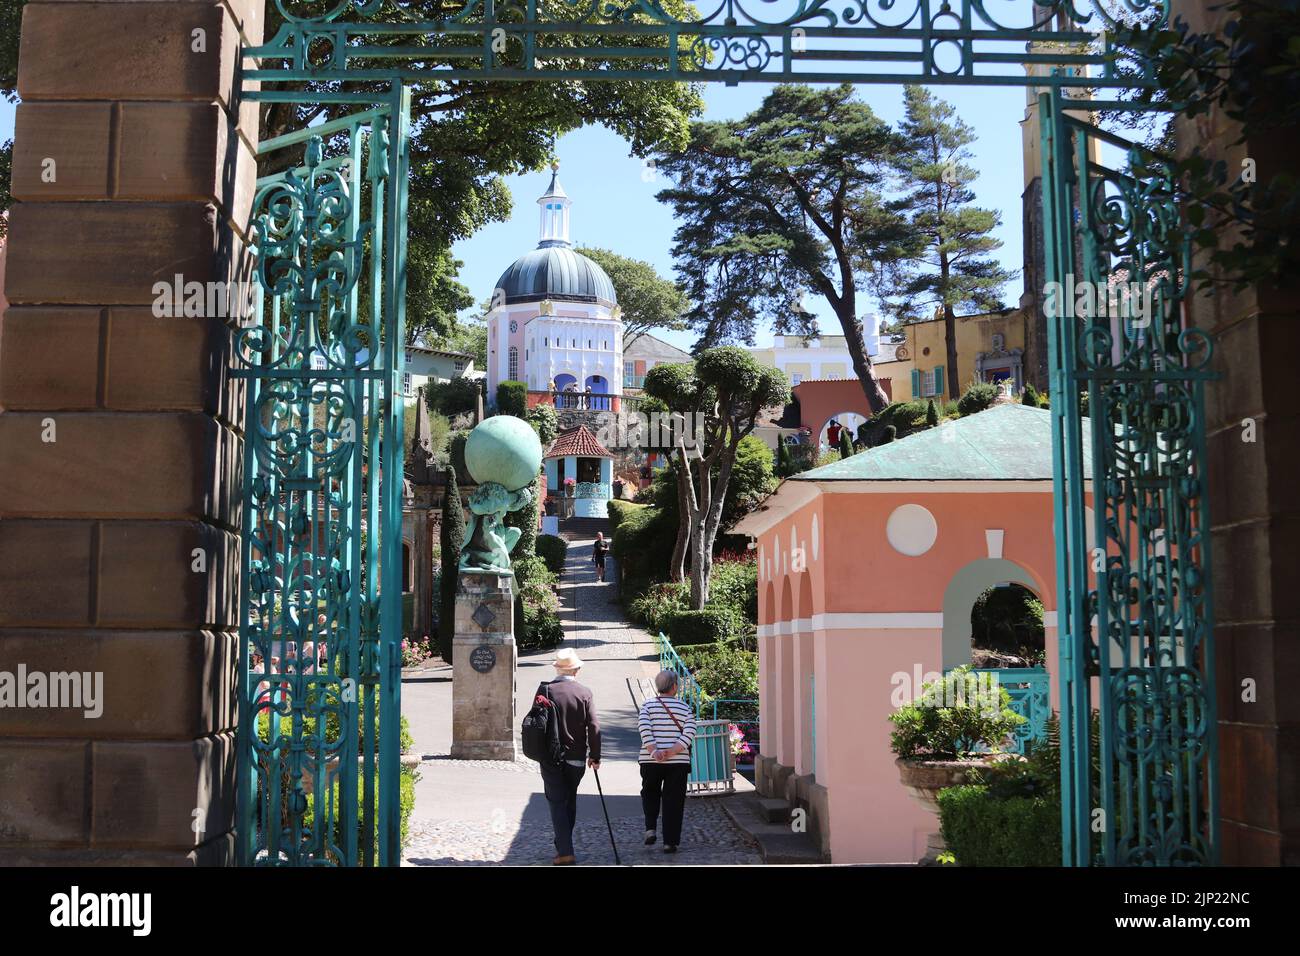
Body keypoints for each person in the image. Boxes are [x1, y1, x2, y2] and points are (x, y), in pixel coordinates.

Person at [536, 649, 601, 865]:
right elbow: (593, 726)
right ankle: (563, 845)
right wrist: (595, 755)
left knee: (556, 802)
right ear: (576, 670)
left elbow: (536, 724)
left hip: (551, 757)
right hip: (576, 758)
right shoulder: (584, 693)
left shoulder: (546, 690)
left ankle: (564, 851)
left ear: (557, 667)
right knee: (569, 800)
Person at [637, 670, 696, 854]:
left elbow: (644, 728)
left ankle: (650, 828)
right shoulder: (684, 708)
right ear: (674, 687)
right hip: (678, 762)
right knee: (674, 801)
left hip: (650, 761)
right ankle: (670, 842)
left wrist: (654, 751)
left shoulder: (647, 706)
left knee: (650, 793)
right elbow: (689, 732)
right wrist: (672, 751)